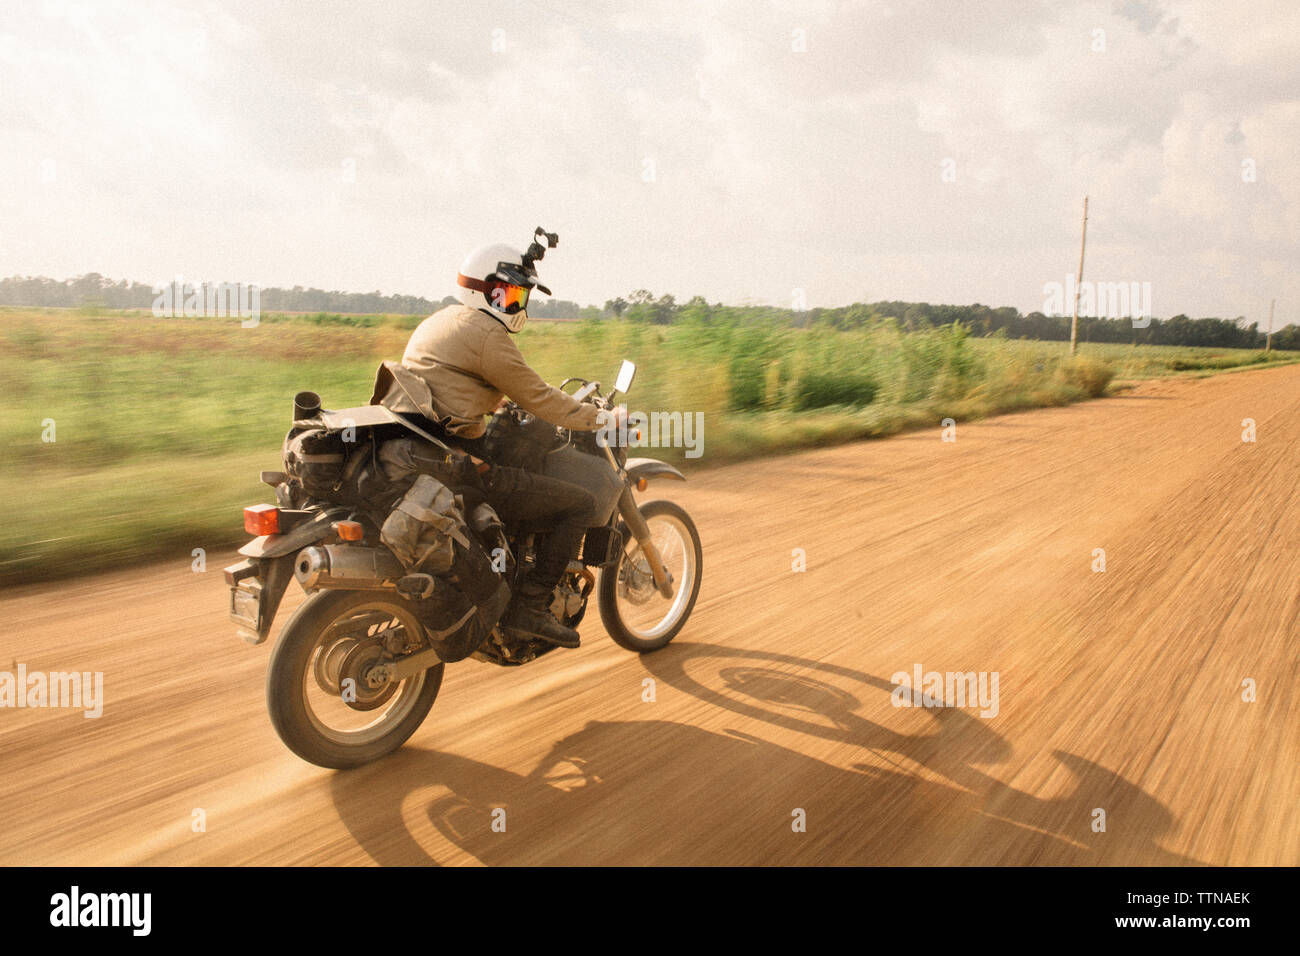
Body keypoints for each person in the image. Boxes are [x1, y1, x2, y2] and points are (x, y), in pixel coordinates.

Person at [370, 236, 617, 649]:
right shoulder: (487, 335)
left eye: (520, 295)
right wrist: (602, 418)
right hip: (459, 460)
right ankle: (531, 608)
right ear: (486, 288)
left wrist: (491, 398)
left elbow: (450, 380)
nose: (517, 304)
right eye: (511, 293)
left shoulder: (442, 320)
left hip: (422, 447)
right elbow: (538, 397)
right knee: (579, 504)